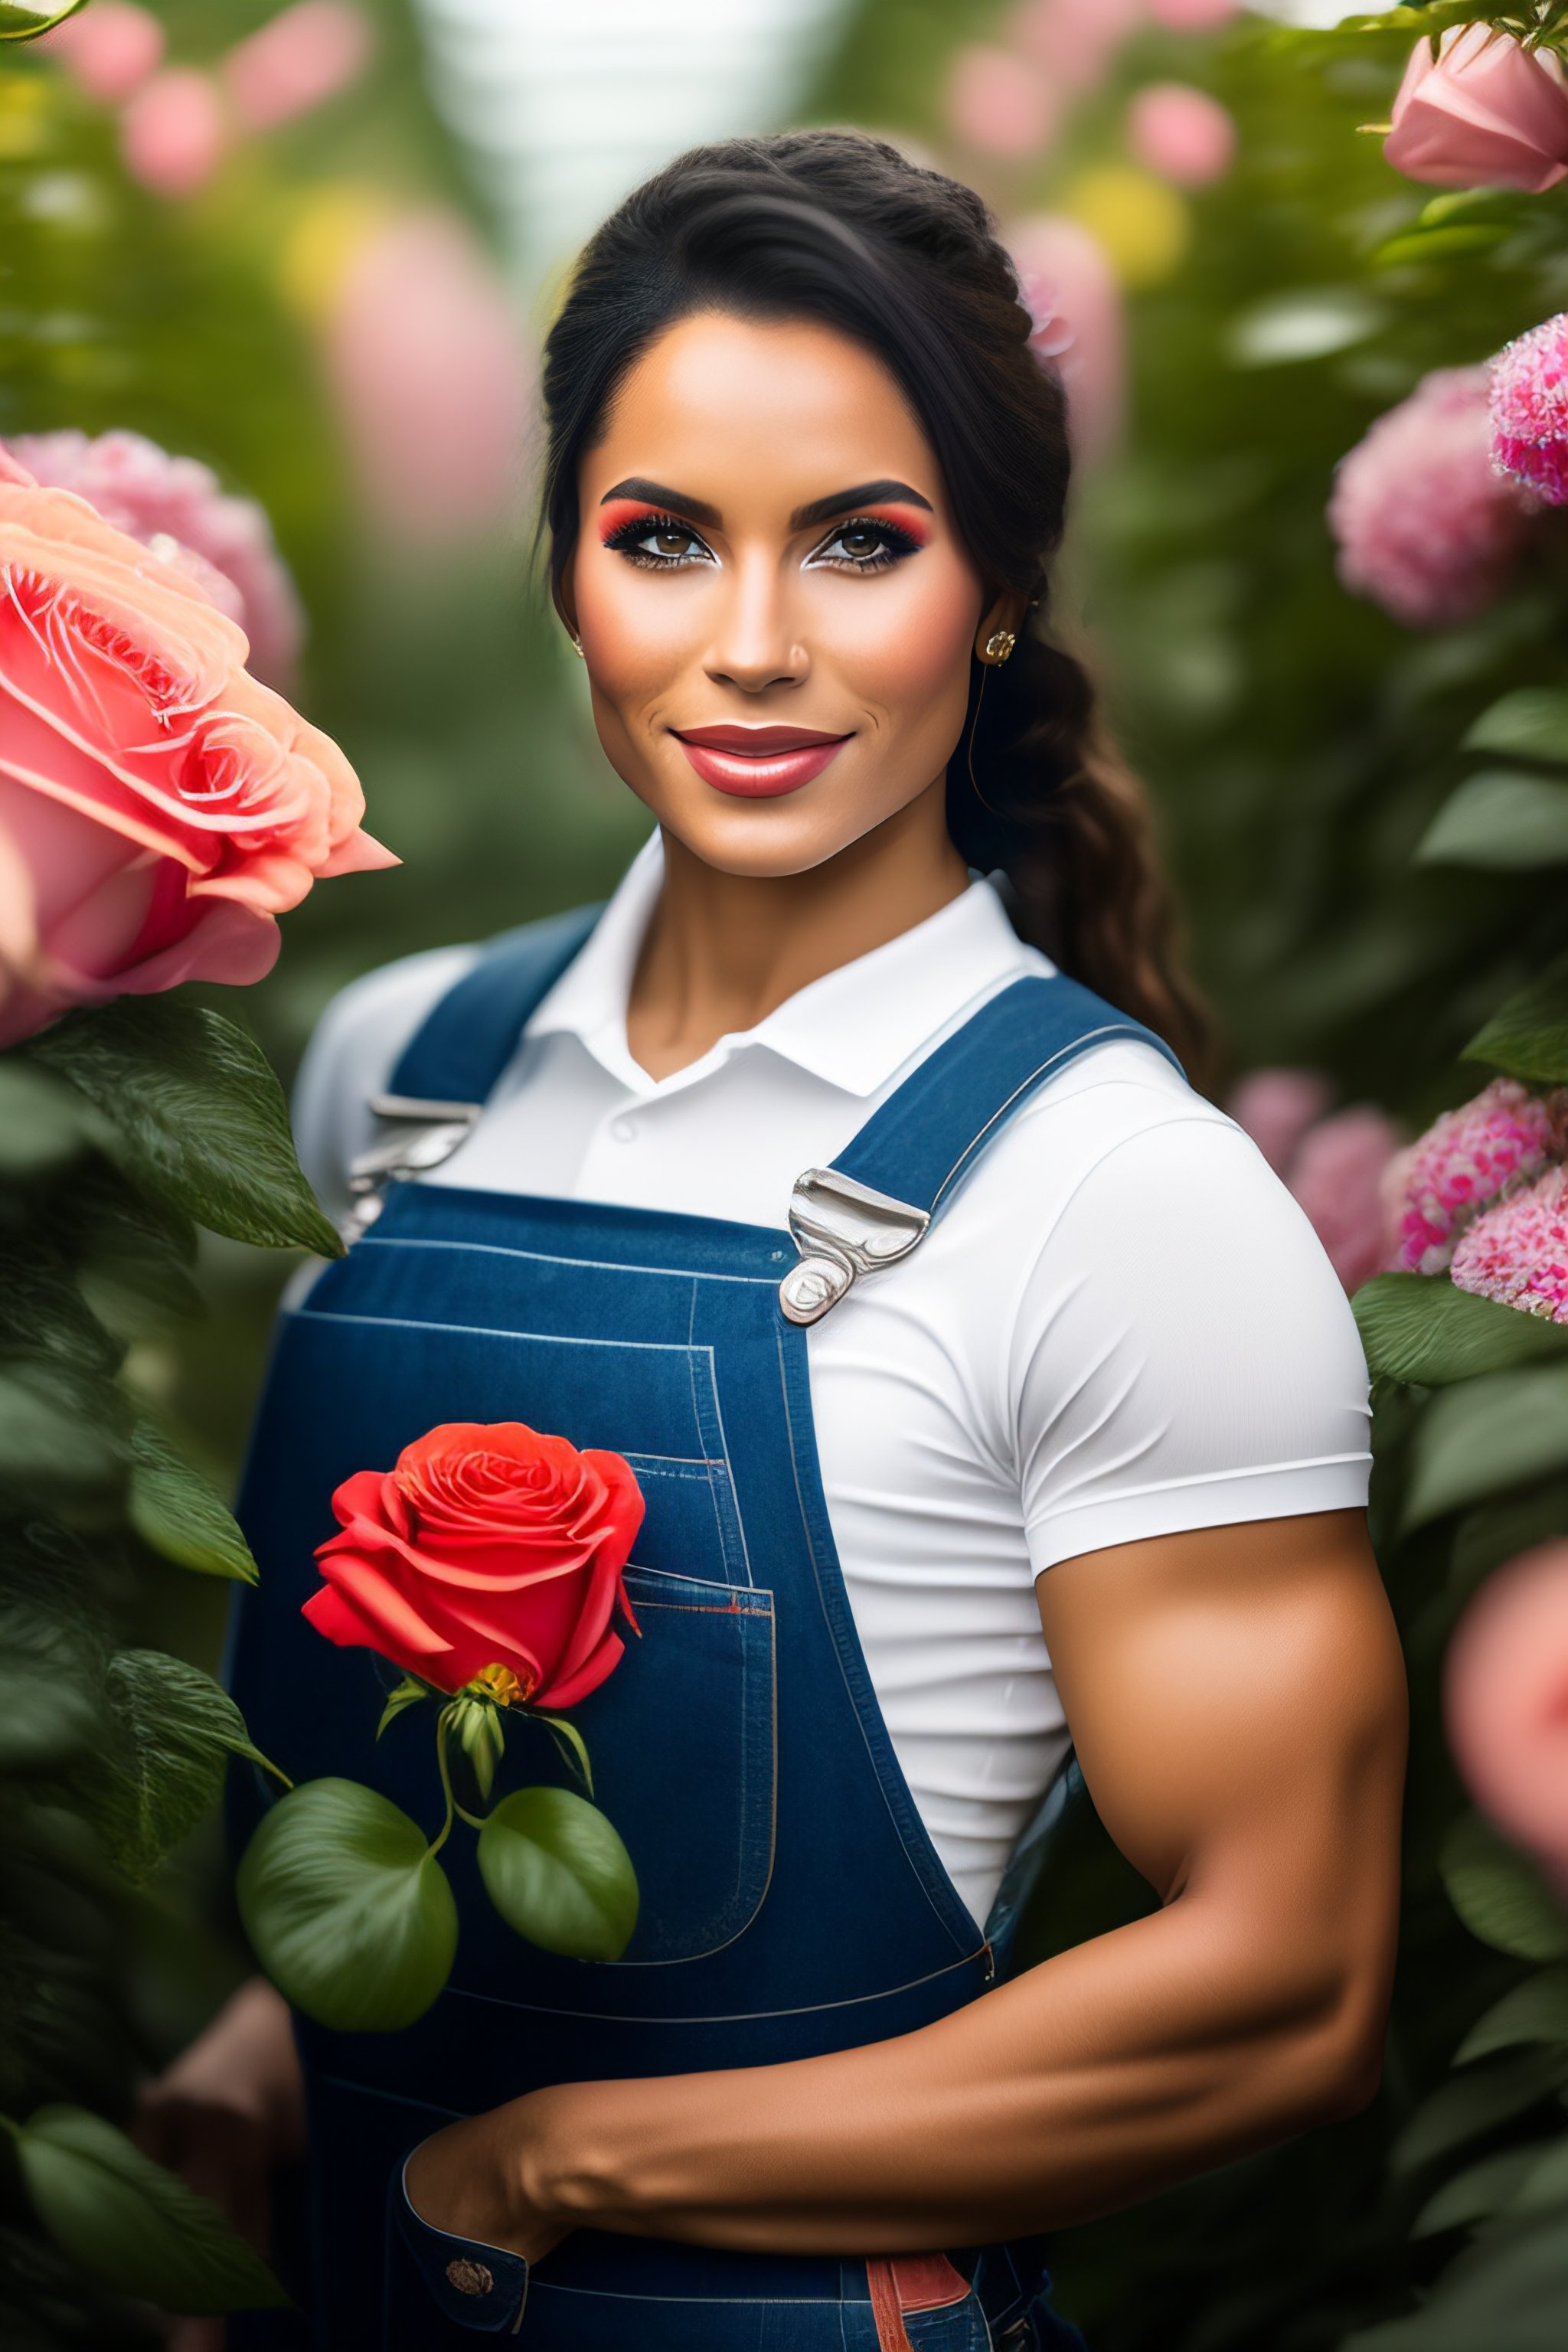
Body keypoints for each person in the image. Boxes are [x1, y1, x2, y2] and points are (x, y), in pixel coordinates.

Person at [138, 130, 1406, 2352]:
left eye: (858, 543)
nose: (748, 650)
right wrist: (280, 2055)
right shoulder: (402, 1070)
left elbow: (1279, 1980)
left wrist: (558, 2165)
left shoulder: (1120, 1201)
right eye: (661, 540)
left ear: (996, 588)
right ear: (563, 573)